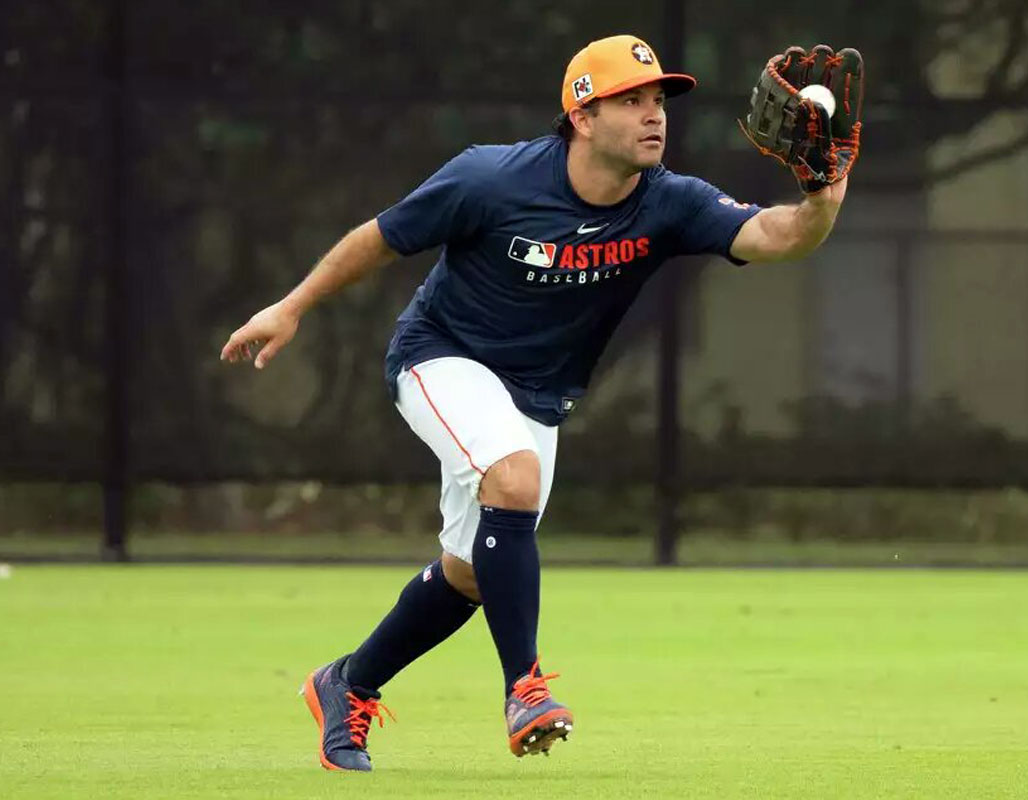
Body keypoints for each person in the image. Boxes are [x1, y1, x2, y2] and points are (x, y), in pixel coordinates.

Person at [220, 34, 849, 772]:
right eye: (630, 101)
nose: (654, 116)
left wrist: (824, 191)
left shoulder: (669, 202)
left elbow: (780, 237)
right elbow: (380, 239)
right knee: (512, 480)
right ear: (582, 117)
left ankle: (347, 683)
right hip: (441, 358)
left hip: (537, 395)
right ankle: (526, 689)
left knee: (472, 571)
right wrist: (291, 307)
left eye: (658, 101)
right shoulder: (491, 179)